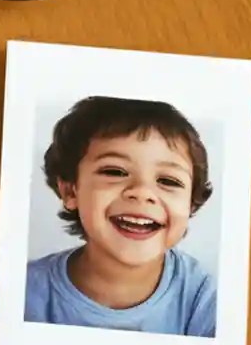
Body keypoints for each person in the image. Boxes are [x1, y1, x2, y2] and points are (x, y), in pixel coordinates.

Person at [25, 96, 217, 336]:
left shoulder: (205, 298)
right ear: (70, 190)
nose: (142, 193)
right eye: (115, 171)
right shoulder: (23, 291)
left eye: (168, 181)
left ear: (191, 204)